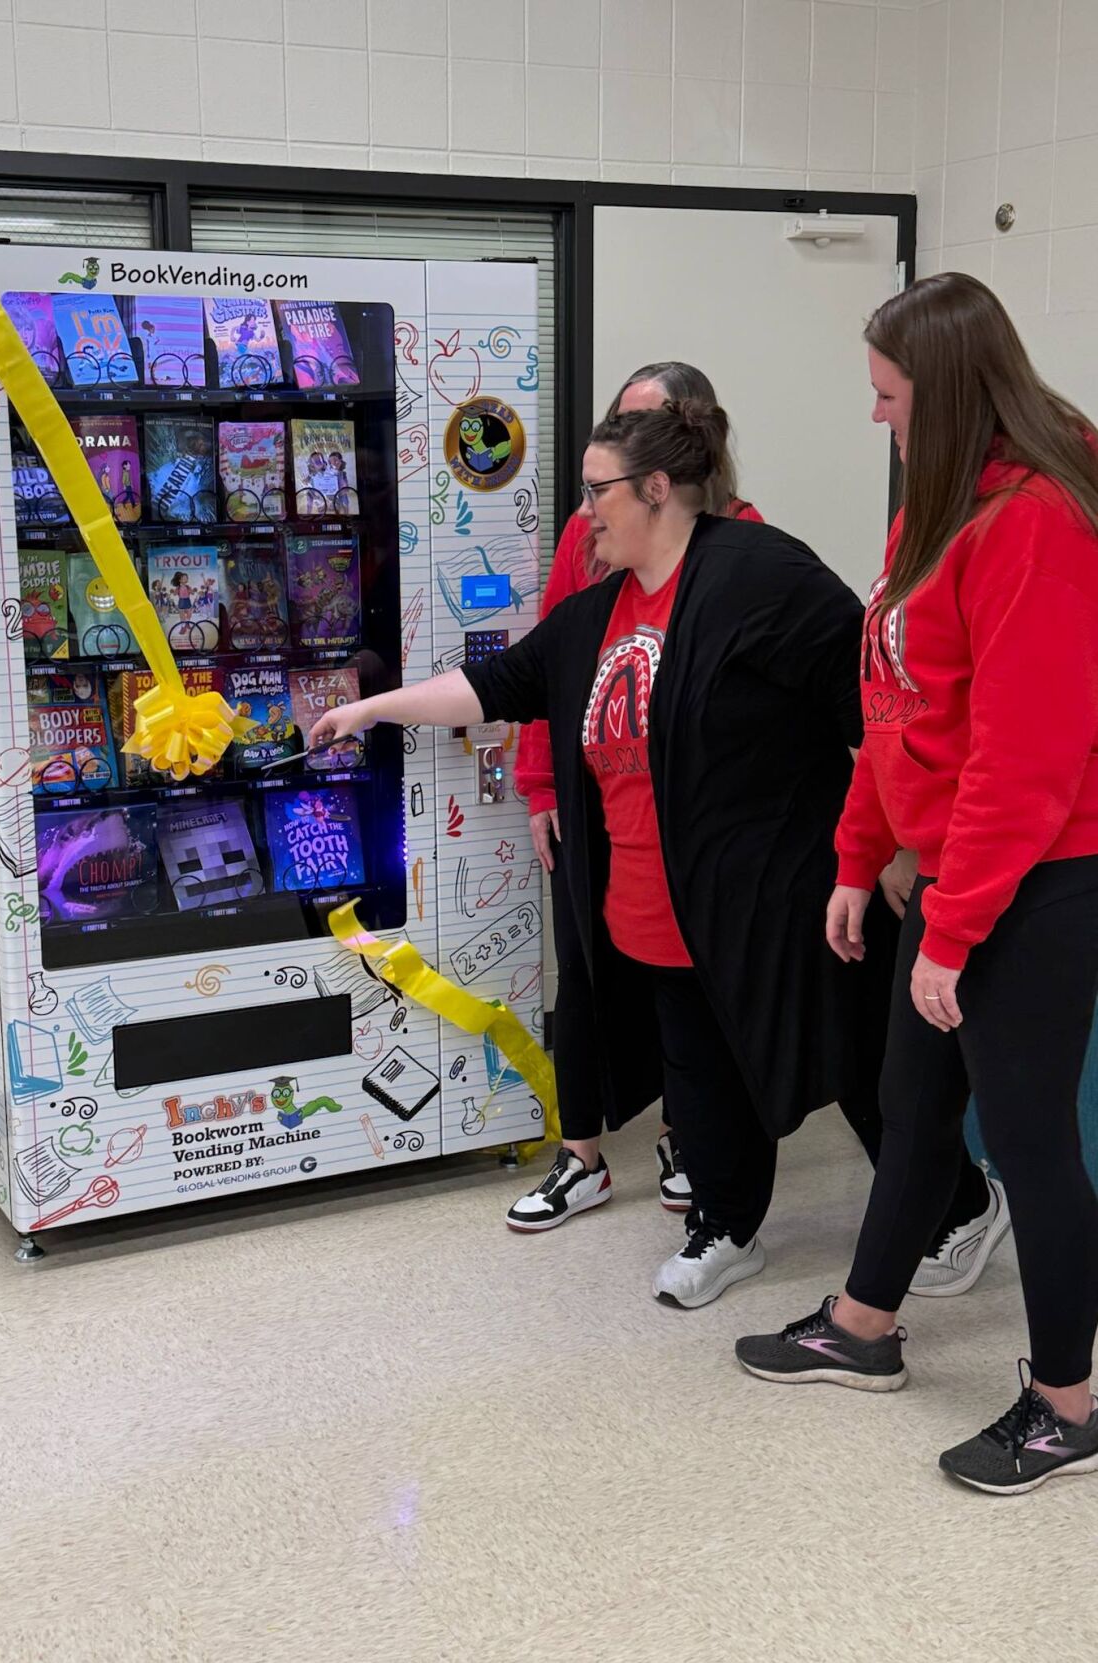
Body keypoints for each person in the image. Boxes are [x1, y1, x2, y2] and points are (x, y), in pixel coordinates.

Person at [312, 400, 996, 1309]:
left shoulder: (761, 576)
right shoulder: (596, 614)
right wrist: (370, 709)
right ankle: (725, 1224)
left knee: (849, 1062)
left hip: (777, 895)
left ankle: (959, 1204)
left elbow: (873, 704)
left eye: (599, 492)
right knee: (702, 1078)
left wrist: (896, 843)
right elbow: (495, 684)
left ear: (659, 489)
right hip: (650, 906)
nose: (585, 514)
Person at [734, 272, 1098, 1495]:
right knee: (908, 1101)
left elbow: (1023, 759)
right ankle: (864, 1324)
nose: (874, 416)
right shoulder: (928, 515)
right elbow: (893, 713)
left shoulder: (1035, 522)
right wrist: (855, 855)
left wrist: (950, 929)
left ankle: (1066, 1401)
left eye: (885, 395)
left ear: (942, 396)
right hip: (948, 877)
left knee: (1032, 1142)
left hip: (1034, 879)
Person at [513, 361, 766, 1226]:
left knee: (689, 982)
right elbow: (540, 666)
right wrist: (540, 780)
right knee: (585, 973)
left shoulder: (742, 543)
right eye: (619, 423)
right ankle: (580, 1152)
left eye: (645, 429)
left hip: (689, 817)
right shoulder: (588, 535)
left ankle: (687, 1139)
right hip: (594, 799)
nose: (622, 449)